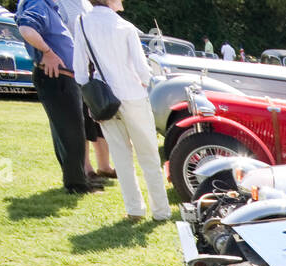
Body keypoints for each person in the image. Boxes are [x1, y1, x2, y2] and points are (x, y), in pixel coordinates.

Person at [71, 0, 170, 222]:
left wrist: (90, 95)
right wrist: (146, 81)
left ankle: (135, 210)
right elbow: (142, 70)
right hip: (132, 94)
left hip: (104, 98)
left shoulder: (82, 22)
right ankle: (161, 211)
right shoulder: (125, 27)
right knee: (148, 155)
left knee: (121, 156)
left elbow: (79, 67)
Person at [15, 0, 99, 193]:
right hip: (56, 76)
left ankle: (77, 179)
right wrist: (48, 52)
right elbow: (26, 28)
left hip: (60, 77)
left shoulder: (45, 5)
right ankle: (77, 184)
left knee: (68, 132)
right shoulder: (38, 3)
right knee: (71, 133)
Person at [57, 0, 114, 180]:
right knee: (80, 121)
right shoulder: (59, 4)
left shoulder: (86, 3)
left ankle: (105, 166)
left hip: (93, 69)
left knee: (99, 117)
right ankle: (86, 167)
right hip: (74, 69)